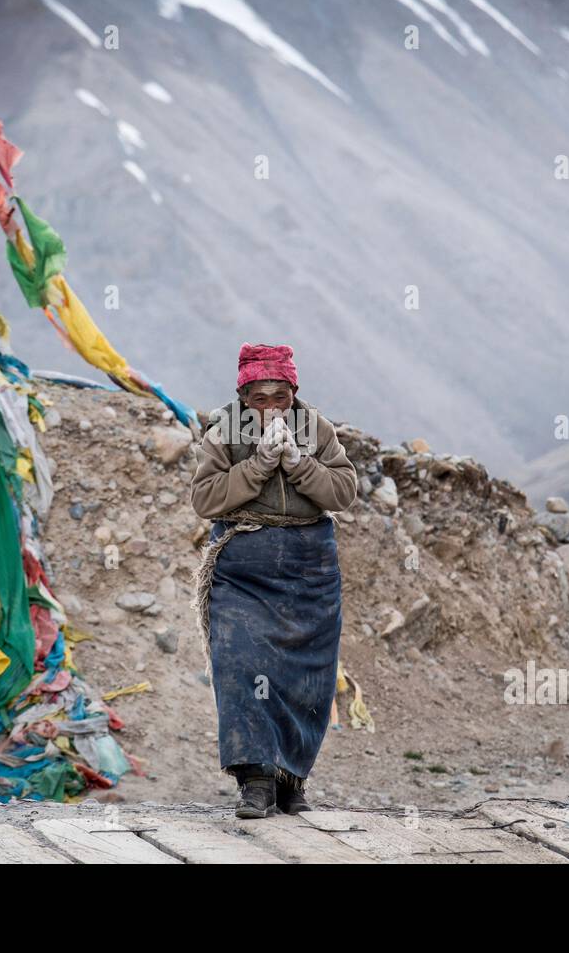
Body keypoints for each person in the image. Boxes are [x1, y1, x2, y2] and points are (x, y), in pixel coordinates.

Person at [190, 343, 357, 818]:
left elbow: (343, 491)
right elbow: (205, 499)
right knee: (241, 666)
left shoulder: (317, 427)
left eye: (279, 397)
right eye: (258, 399)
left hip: (309, 570)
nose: (269, 408)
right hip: (244, 569)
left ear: (293, 392)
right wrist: (258, 465)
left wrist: (298, 464)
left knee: (306, 677)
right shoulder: (224, 430)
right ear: (243, 396)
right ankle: (256, 783)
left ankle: (291, 781)